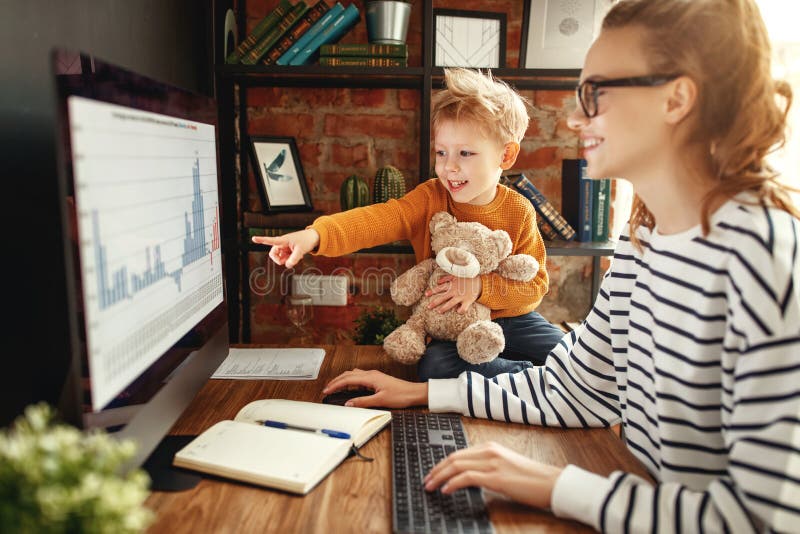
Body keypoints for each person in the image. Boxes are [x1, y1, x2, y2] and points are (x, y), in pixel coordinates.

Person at [321, 0, 800, 531]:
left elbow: (761, 520)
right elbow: (575, 389)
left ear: (676, 99)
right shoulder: (642, 241)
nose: (575, 118)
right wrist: (424, 392)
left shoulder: (767, 261)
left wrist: (555, 486)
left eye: (596, 94)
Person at [254, 68, 564, 380]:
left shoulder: (519, 210)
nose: (449, 166)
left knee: (568, 354)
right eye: (441, 152)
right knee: (435, 367)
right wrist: (315, 235)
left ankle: (523, 378)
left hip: (514, 320)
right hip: (452, 324)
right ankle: (526, 379)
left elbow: (535, 285)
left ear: (506, 155)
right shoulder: (430, 197)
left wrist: (481, 287)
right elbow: (377, 220)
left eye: (465, 153)